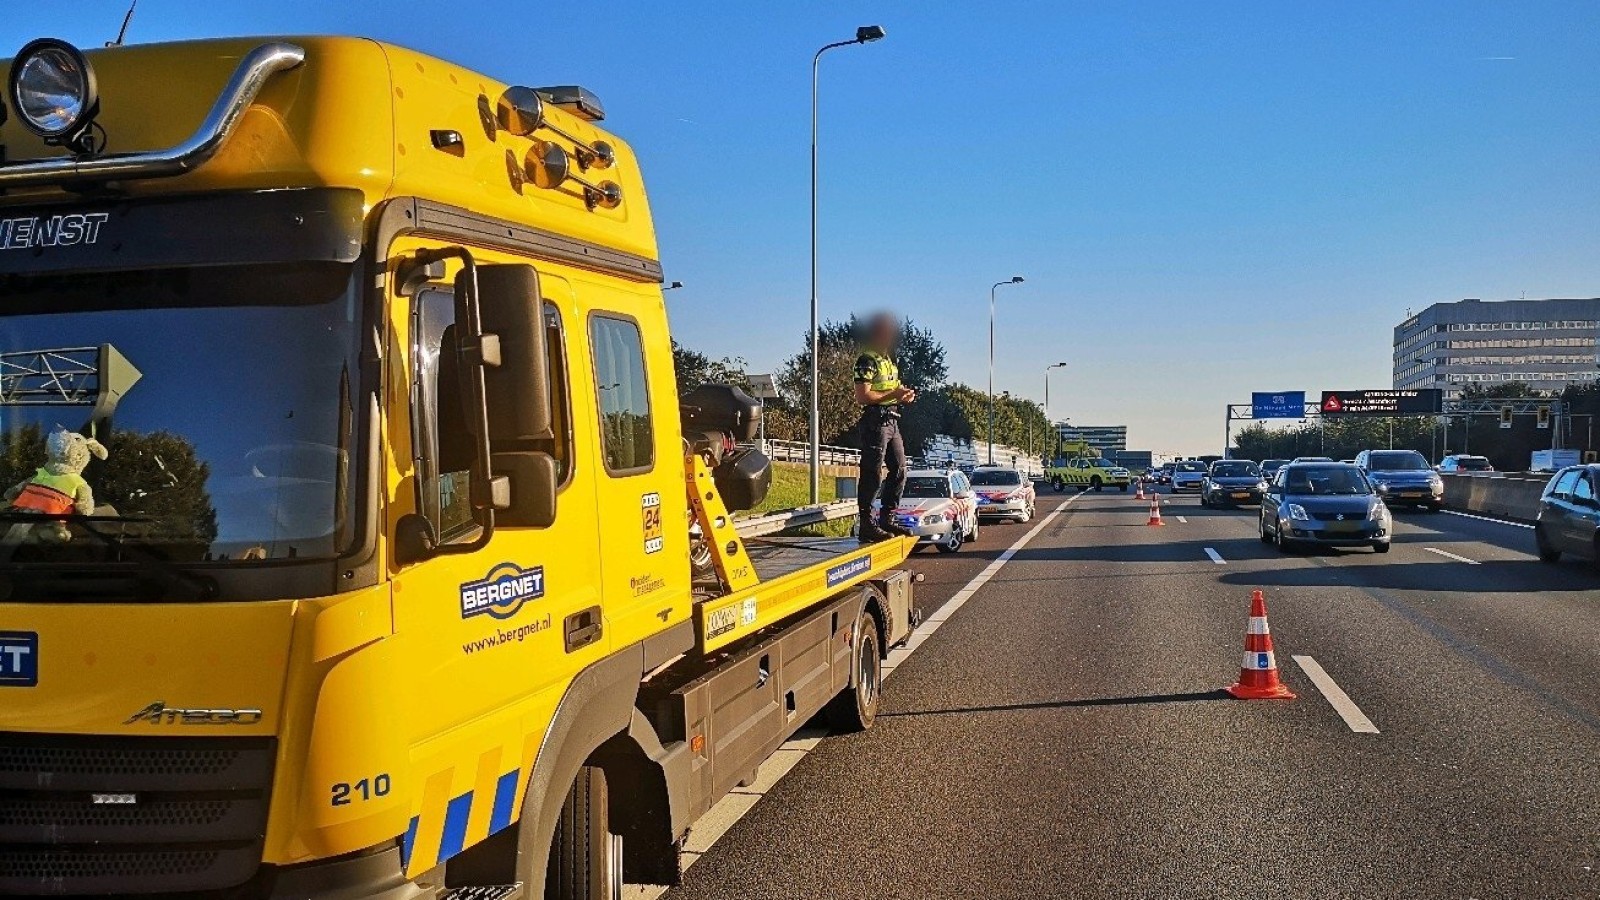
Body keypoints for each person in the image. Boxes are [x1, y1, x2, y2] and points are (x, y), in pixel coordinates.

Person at [853, 313, 917, 543]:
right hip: (875, 420)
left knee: (899, 469)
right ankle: (867, 523)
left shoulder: (889, 360)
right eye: (885, 332)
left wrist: (904, 395)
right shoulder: (866, 360)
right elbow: (863, 396)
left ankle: (887, 517)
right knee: (872, 471)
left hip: (892, 419)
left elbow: (894, 387)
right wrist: (894, 394)